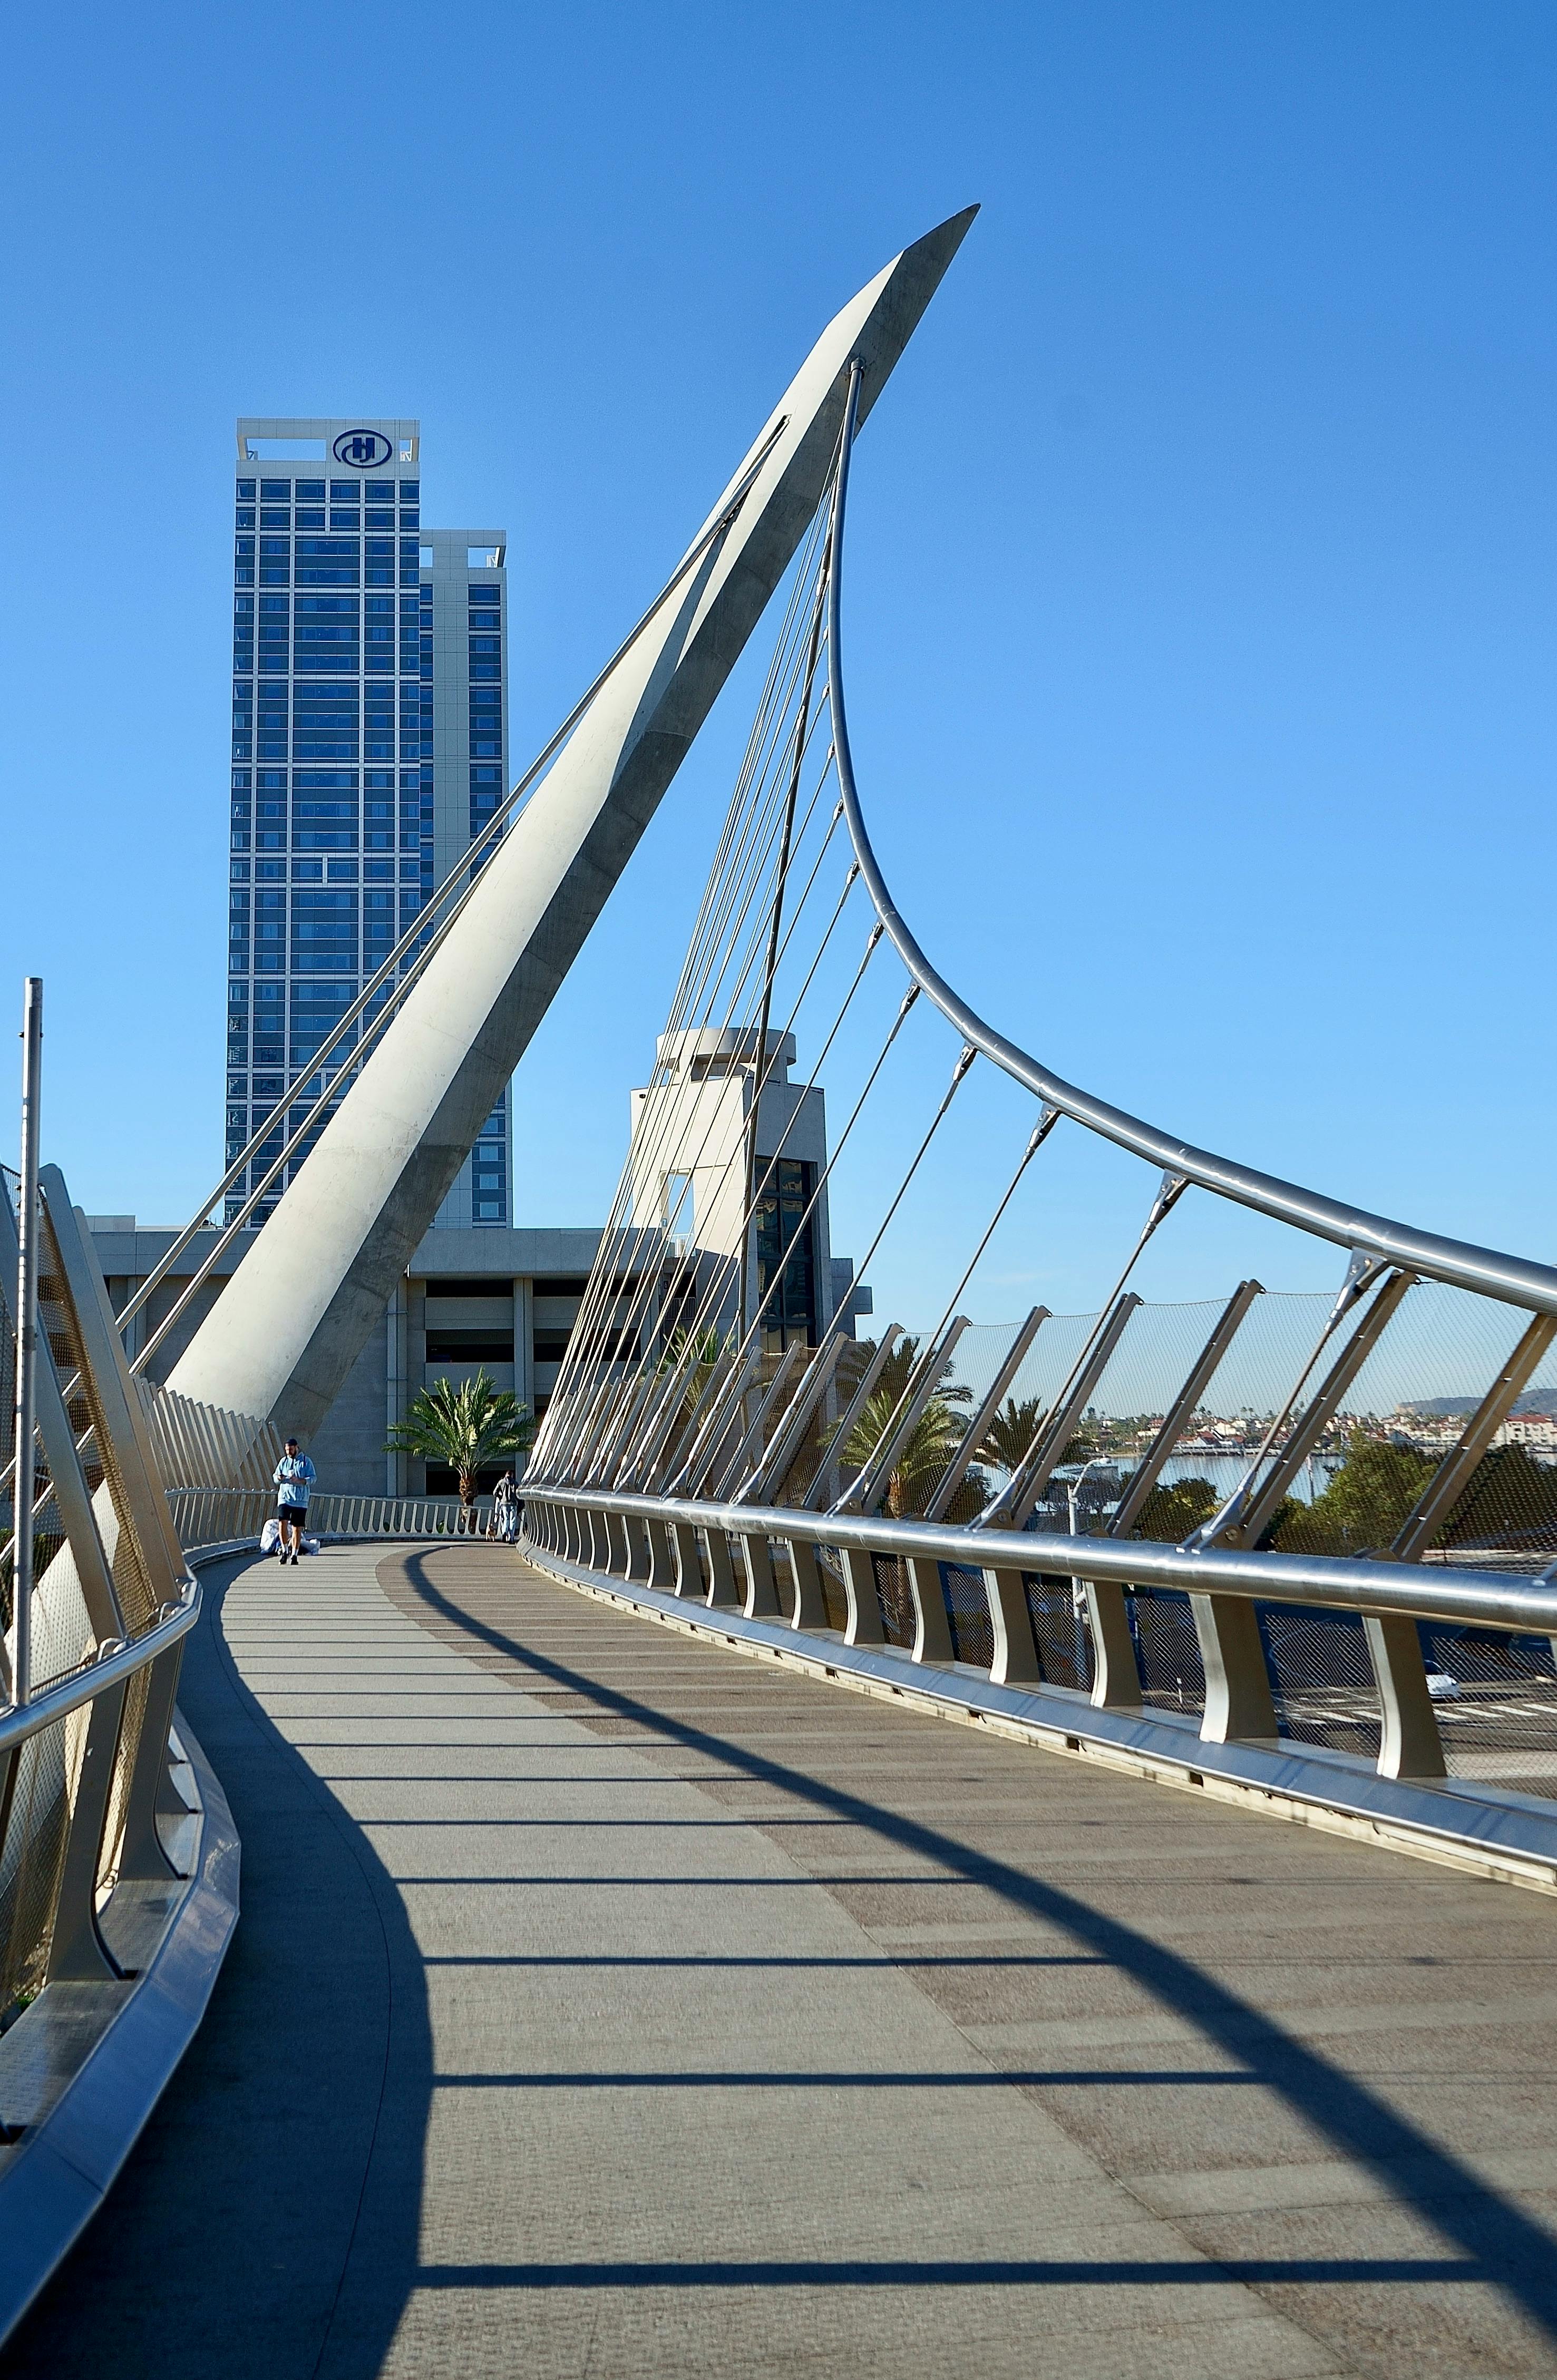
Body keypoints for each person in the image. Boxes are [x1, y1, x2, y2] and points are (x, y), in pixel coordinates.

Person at [273, 1436, 317, 1565]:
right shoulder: (283, 1462)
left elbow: (313, 1478)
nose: (289, 1452)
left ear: (296, 1448)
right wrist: (279, 1478)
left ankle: (294, 1555)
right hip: (285, 1498)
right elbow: (275, 1477)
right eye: (287, 1450)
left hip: (300, 1500)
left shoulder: (306, 1462)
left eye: (291, 1450)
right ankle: (285, 1551)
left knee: (297, 1528)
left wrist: (302, 1481)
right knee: (282, 1523)